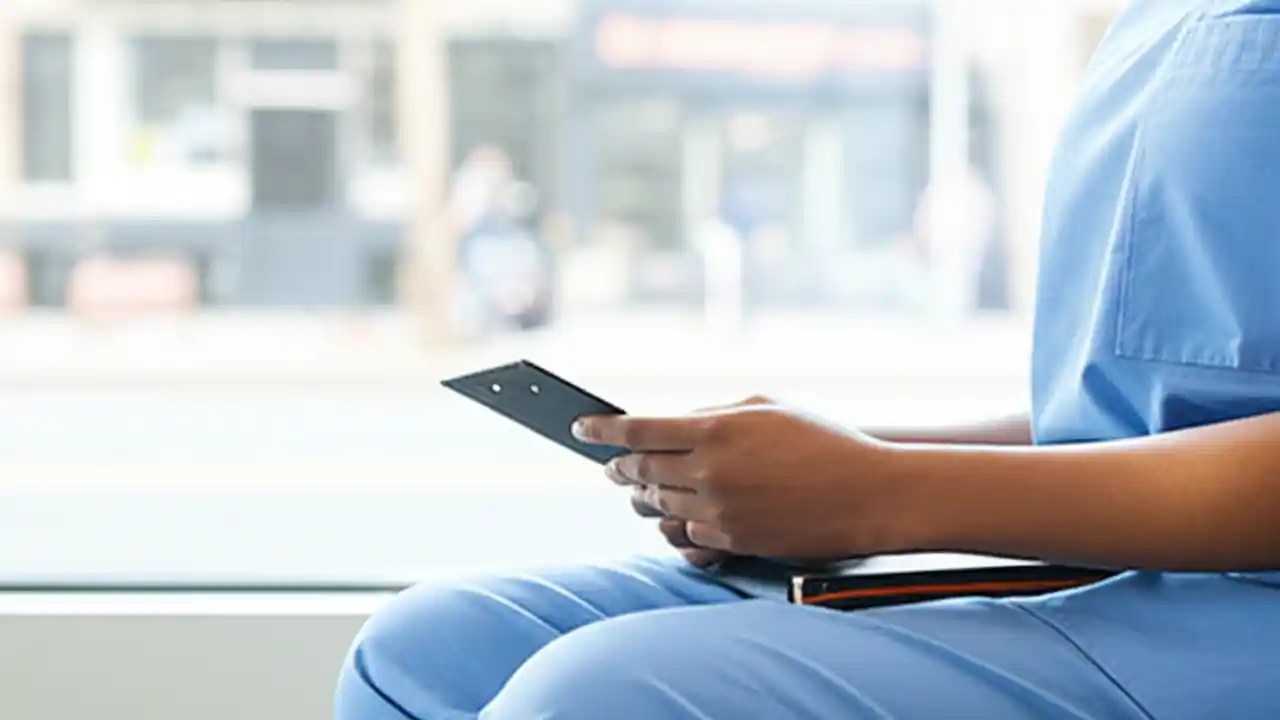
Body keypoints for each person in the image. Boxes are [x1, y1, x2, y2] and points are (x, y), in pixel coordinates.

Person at [336, 3, 1280, 717]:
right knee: (427, 650)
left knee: (593, 699)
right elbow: (1137, 406)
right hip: (1109, 566)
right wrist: (834, 466)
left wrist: (889, 493)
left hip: (1239, 622)